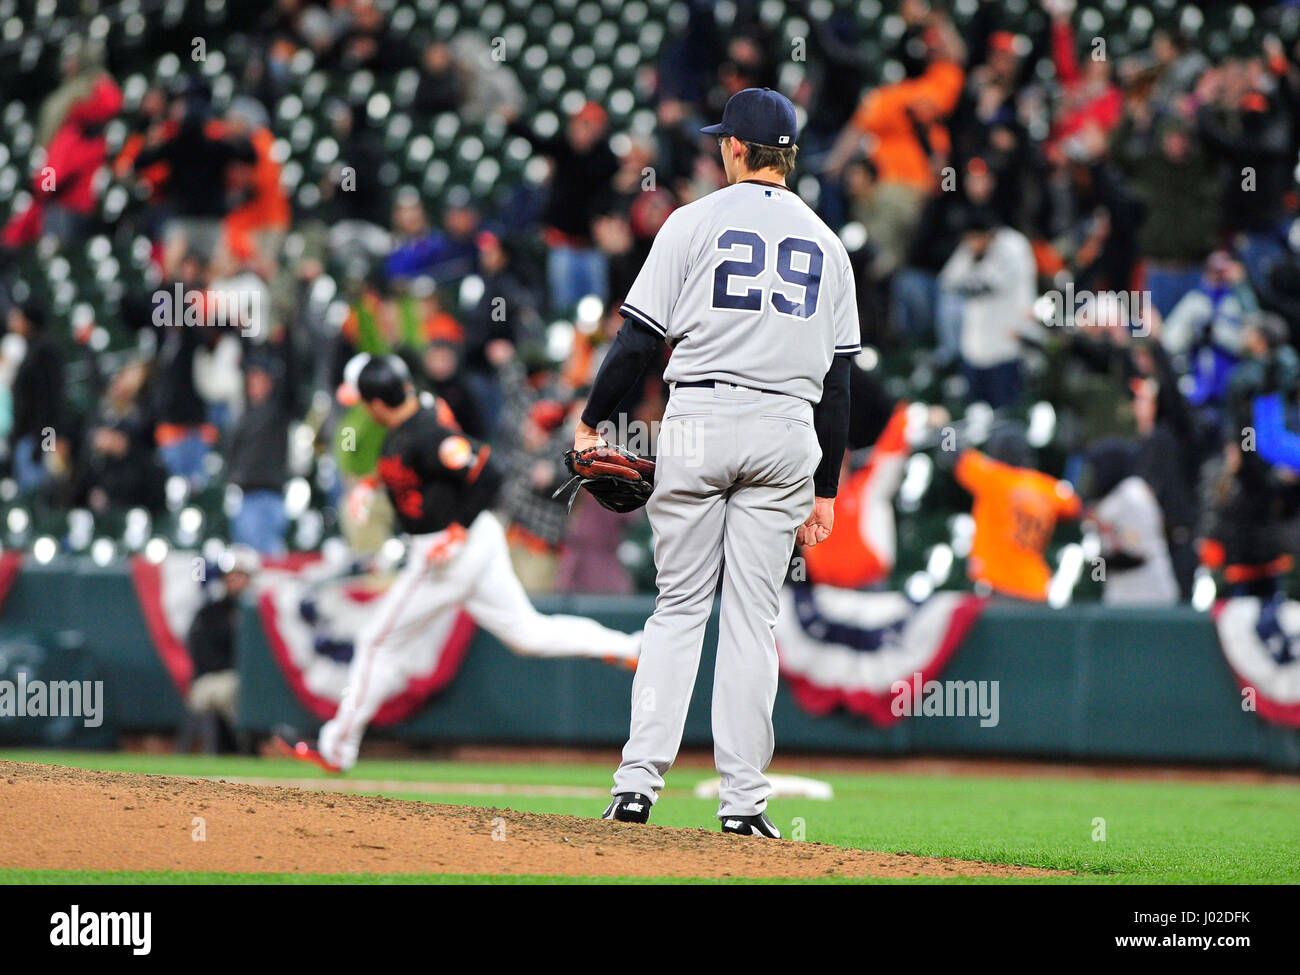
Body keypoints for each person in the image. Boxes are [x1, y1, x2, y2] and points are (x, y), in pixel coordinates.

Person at [572, 88, 858, 837]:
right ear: (788, 156)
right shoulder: (828, 241)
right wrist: (826, 490)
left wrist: (590, 418)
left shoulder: (691, 221)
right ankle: (744, 805)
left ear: (734, 149)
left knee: (679, 609)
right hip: (789, 430)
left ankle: (635, 790)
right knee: (752, 622)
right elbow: (840, 383)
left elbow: (637, 342)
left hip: (700, 416)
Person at [275, 355, 641, 773]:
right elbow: (414, 469)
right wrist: (374, 486)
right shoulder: (417, 413)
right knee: (528, 632)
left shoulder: (427, 432)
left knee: (376, 642)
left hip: (448, 554)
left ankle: (336, 748)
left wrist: (457, 529)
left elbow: (489, 473)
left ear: (378, 403)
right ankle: (629, 648)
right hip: (469, 546)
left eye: (363, 400)